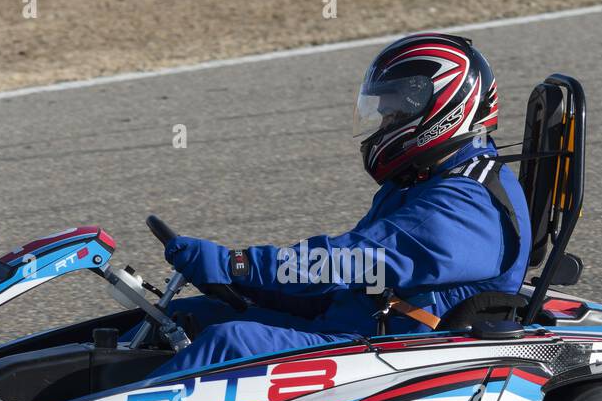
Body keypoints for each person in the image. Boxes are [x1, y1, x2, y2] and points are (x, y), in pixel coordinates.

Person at [146, 32, 530, 379]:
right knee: (195, 313)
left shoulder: (467, 205)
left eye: (395, 108)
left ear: (441, 105)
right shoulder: (427, 177)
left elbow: (347, 262)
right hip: (363, 318)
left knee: (230, 343)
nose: (384, 118)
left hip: (390, 352)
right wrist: (240, 281)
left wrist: (239, 264)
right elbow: (345, 278)